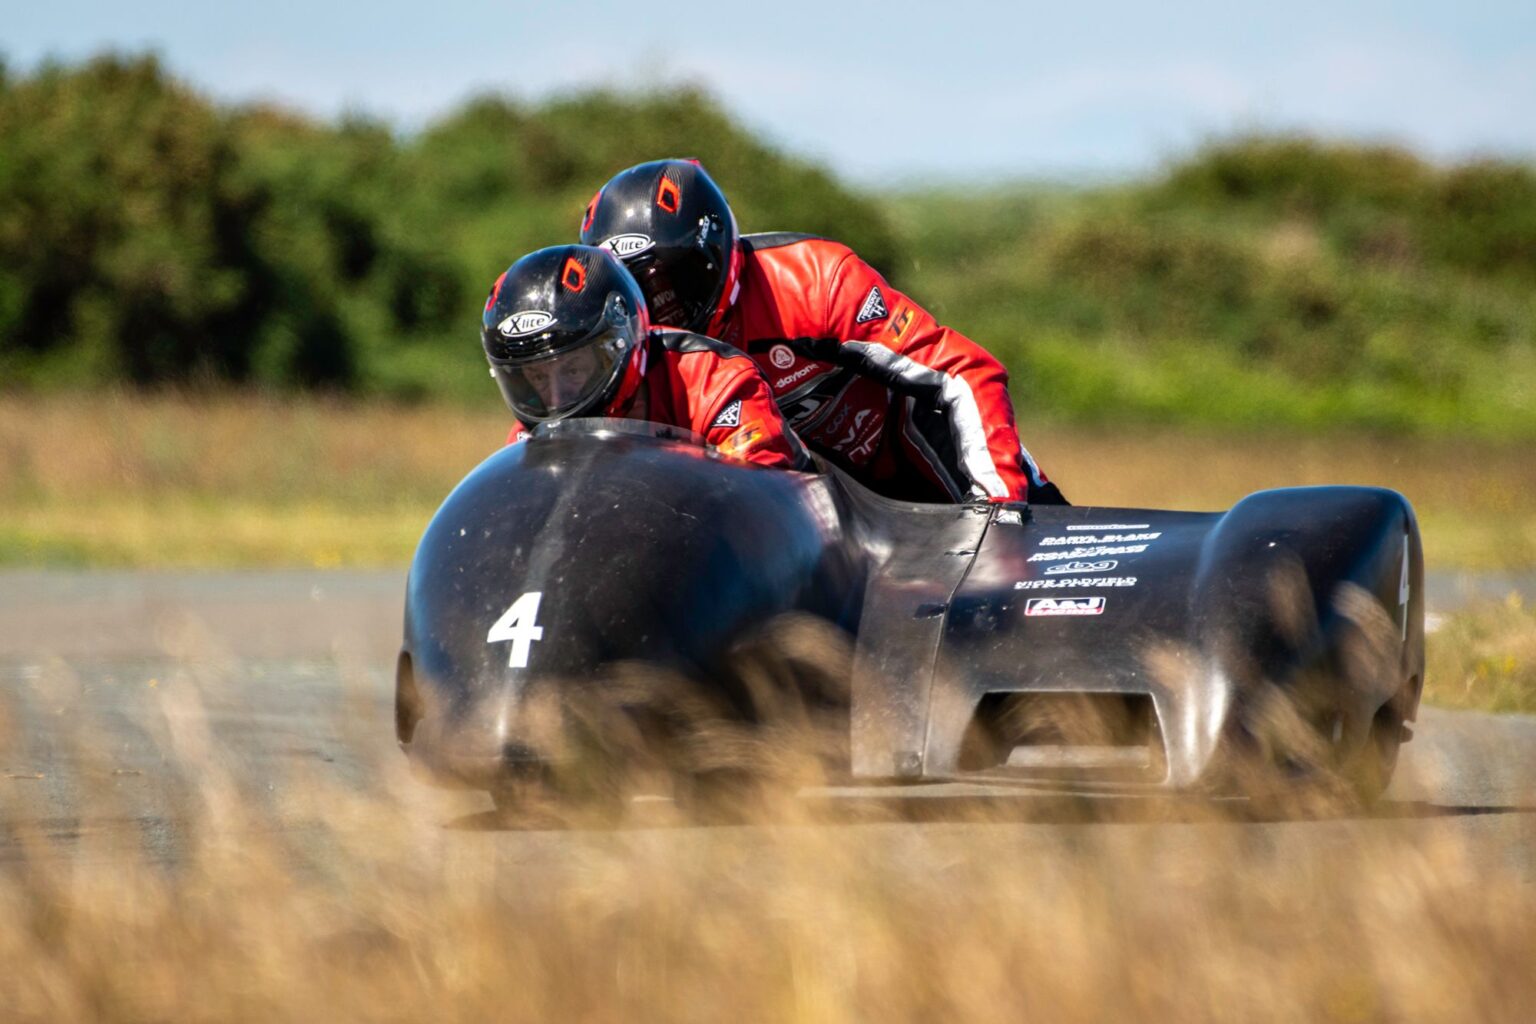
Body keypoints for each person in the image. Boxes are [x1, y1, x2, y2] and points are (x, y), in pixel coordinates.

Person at [578, 159, 1066, 505]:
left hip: (924, 454)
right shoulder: (618, 350)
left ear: (715, 250)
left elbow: (961, 370)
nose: (658, 307)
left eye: (673, 280)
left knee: (1039, 540)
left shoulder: (817, 279)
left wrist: (1001, 508)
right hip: (807, 509)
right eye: (634, 291)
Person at [482, 244, 809, 471]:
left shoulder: (713, 379)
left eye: (573, 369)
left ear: (618, 345)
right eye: (537, 377)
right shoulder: (534, 433)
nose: (556, 397)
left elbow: (763, 494)